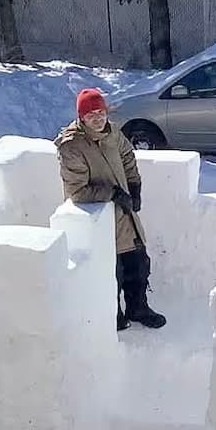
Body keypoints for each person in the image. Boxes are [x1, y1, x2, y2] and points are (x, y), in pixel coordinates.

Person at [55, 88, 166, 331]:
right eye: (91, 114)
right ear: (81, 117)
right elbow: (78, 191)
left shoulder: (111, 131)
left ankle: (138, 308)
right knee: (110, 272)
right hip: (99, 219)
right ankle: (112, 315)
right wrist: (113, 193)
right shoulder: (71, 145)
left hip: (124, 215)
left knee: (138, 263)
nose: (98, 118)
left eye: (101, 112)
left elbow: (127, 156)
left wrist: (134, 185)